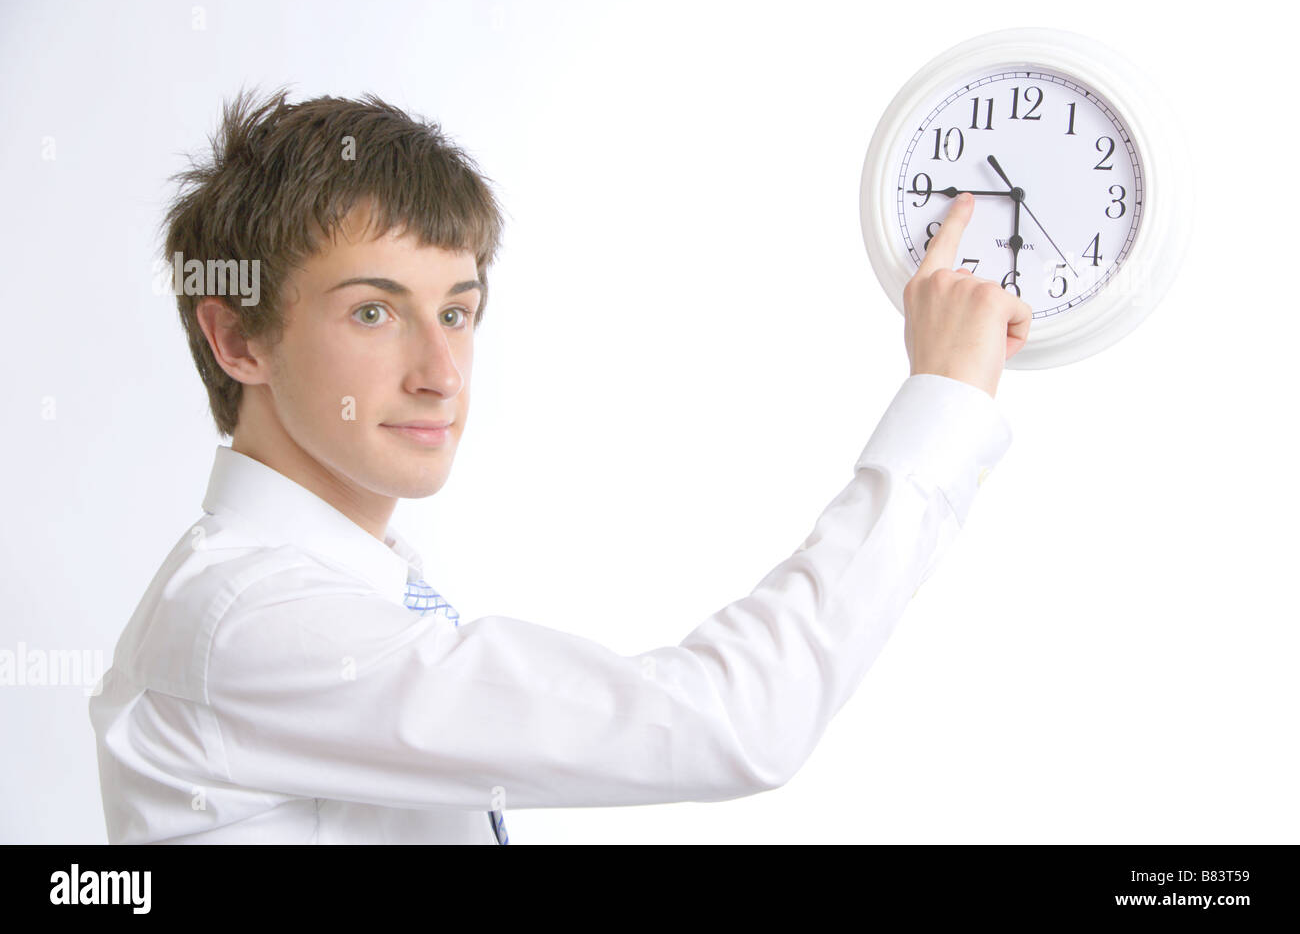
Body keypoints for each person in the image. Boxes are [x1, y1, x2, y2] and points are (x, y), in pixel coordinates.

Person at [88, 88, 1032, 844]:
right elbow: (731, 725)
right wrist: (942, 403)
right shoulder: (254, 620)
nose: (441, 373)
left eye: (457, 311)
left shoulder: (340, 591)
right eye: (373, 311)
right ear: (237, 336)